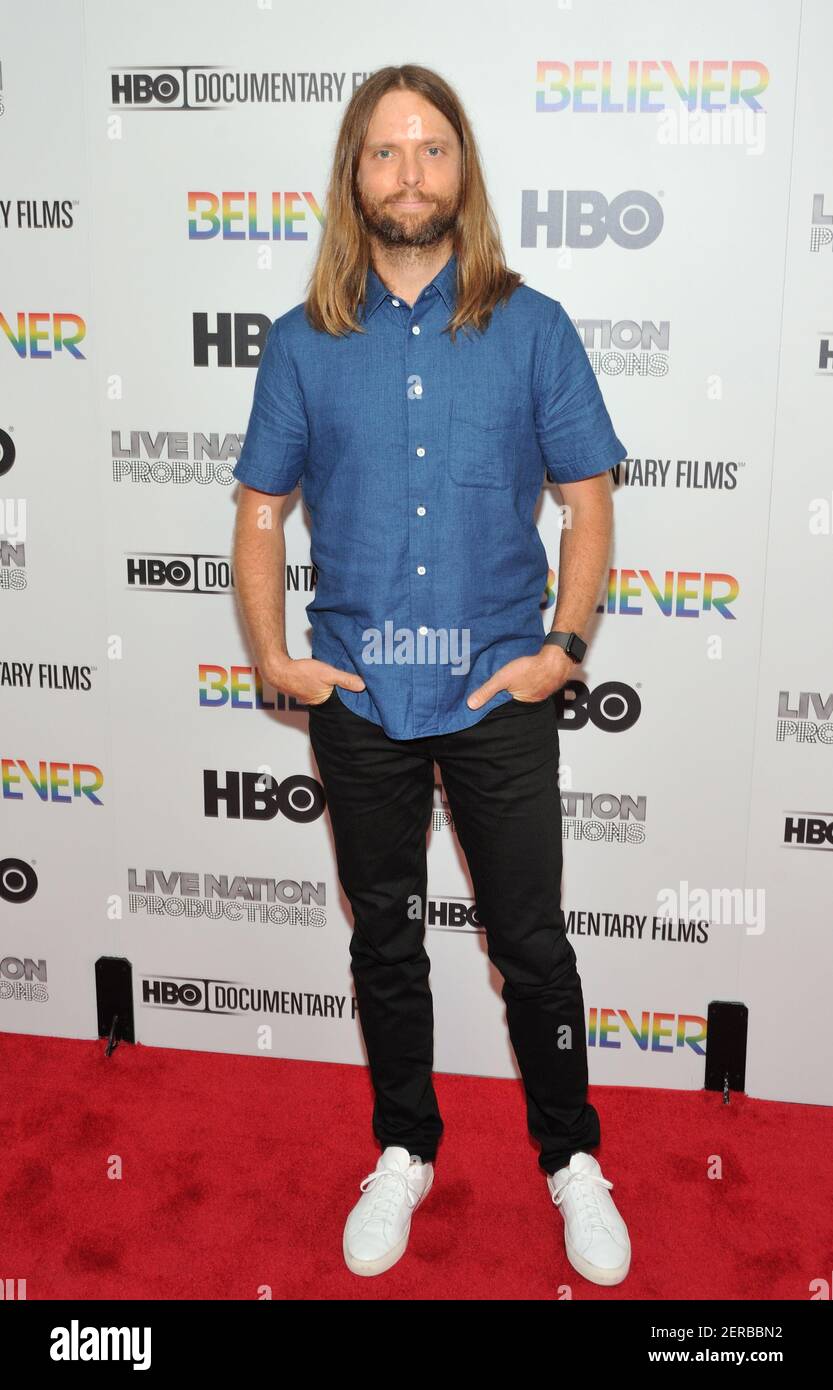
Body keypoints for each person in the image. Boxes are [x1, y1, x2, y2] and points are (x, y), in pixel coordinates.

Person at [231, 64, 631, 1287]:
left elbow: (587, 501)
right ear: (353, 176)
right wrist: (274, 661)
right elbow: (257, 519)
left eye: (432, 149)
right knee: (386, 944)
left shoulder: (532, 326)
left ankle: (569, 1158)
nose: (409, 172)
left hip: (493, 694)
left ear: (463, 172)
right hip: (357, 700)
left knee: (532, 944)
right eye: (385, 151)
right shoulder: (303, 344)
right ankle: (404, 1143)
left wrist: (559, 653)